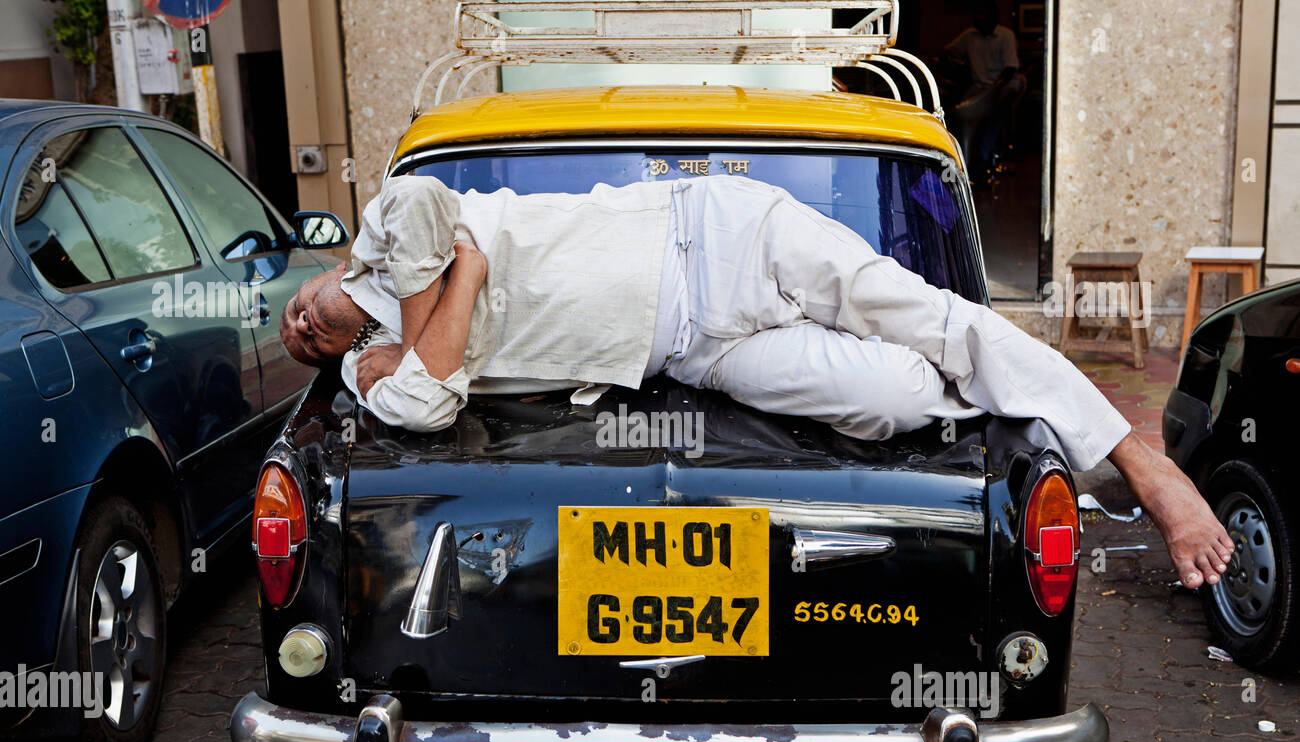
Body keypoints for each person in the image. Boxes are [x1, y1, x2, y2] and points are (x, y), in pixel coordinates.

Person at [281, 172, 1235, 591]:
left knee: (939, 322)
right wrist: (469, 283)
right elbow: (416, 406)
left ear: (325, 270)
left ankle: (1143, 467)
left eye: (300, 306)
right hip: (693, 354)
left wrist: (424, 335)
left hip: (720, 238)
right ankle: (1038, 396)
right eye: (302, 345)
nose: (301, 324)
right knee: (895, 399)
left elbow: (417, 216)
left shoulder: (383, 232)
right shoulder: (381, 369)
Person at [944, 0, 1026, 176]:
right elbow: (949, 52)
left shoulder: (1006, 35)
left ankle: (987, 156)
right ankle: (962, 159)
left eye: (984, 13)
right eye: (977, 13)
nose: (980, 17)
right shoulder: (969, 36)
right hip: (979, 86)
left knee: (995, 113)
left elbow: (1010, 69)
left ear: (994, 17)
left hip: (1004, 84)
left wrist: (993, 92)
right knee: (960, 112)